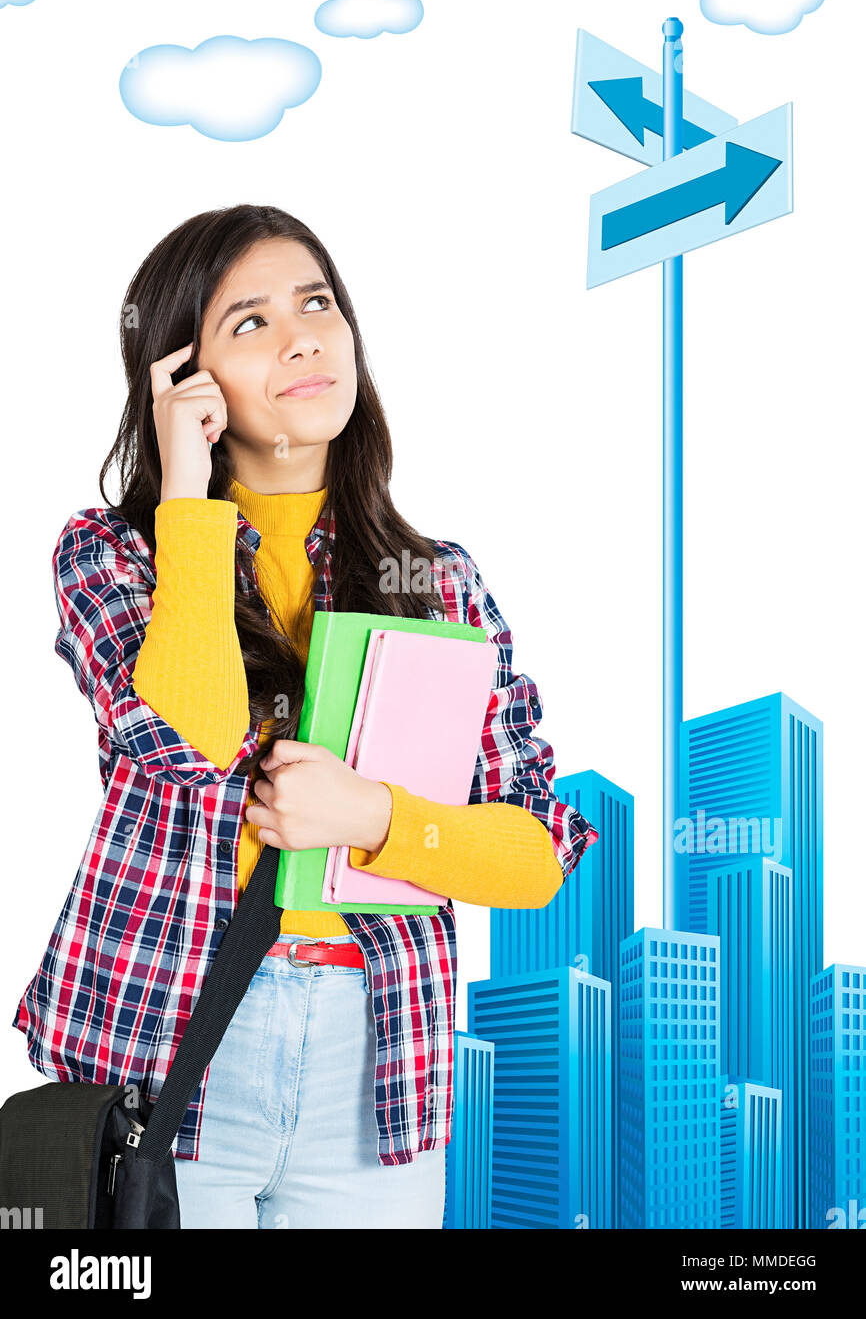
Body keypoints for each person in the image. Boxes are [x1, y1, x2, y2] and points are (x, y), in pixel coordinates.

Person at [13, 204, 598, 1228]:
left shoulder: (439, 584)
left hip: (377, 1068)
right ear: (181, 380)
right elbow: (187, 732)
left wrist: (373, 814)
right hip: (168, 1053)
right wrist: (190, 494)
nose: (302, 337)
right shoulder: (115, 555)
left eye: (316, 304)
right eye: (249, 322)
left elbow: (535, 850)